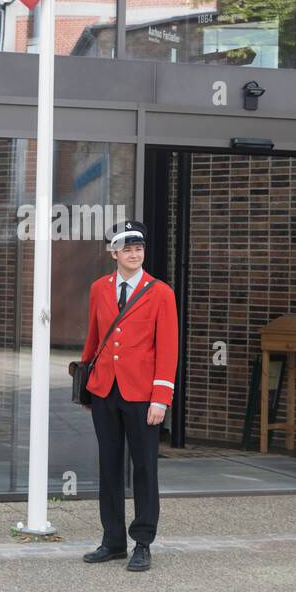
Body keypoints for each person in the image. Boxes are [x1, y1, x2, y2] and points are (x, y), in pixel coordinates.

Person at [79, 220, 178, 572]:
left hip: (142, 394)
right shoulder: (98, 289)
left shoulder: (160, 292)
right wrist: (87, 384)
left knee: (145, 469)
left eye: (139, 248)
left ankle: (143, 542)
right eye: (128, 249)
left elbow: (168, 348)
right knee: (108, 466)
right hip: (106, 390)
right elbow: (94, 336)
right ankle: (113, 540)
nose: (135, 254)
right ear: (114, 253)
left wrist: (160, 398)